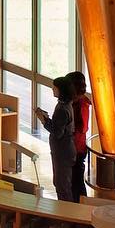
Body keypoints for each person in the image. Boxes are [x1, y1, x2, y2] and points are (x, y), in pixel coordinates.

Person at [36, 76, 77, 202]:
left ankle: (66, 217)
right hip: (64, 150)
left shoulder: (62, 109)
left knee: (62, 187)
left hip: (62, 152)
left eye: (55, 87)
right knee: (61, 184)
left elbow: (57, 132)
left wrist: (44, 120)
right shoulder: (65, 104)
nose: (52, 89)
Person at [68, 70, 91, 199]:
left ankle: (80, 209)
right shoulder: (78, 103)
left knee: (77, 183)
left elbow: (82, 127)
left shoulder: (81, 105)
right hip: (76, 147)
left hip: (77, 148)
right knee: (74, 182)